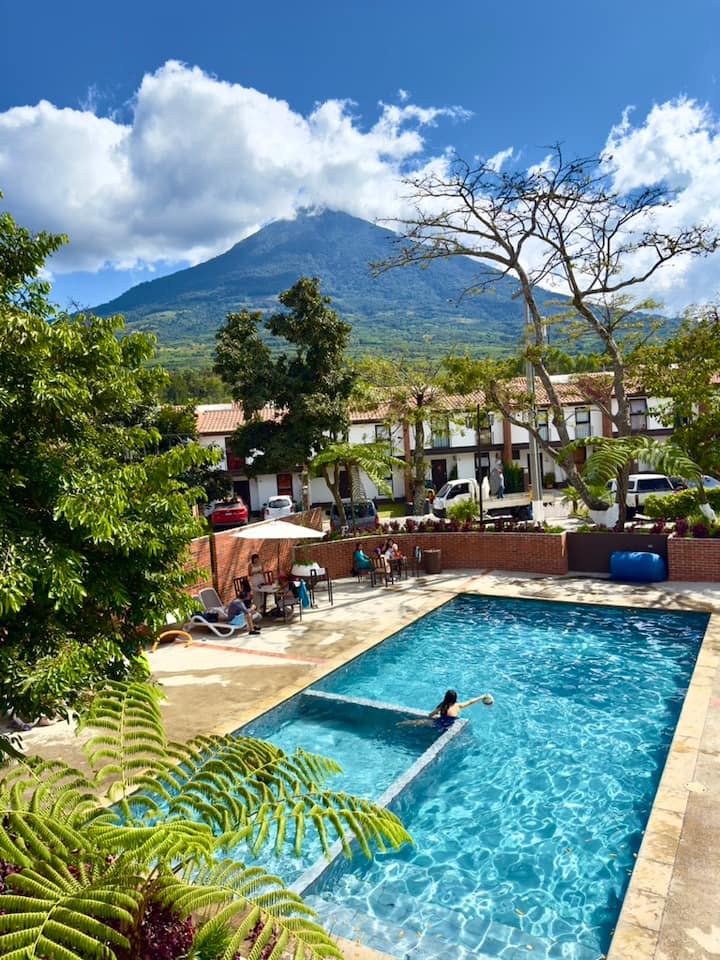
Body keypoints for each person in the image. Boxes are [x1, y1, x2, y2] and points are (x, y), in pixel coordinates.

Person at [429, 689, 494, 726]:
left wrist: (438, 716)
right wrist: (482, 697)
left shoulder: (442, 706)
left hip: (439, 723)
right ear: (455, 698)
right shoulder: (458, 706)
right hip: (449, 726)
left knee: (421, 722)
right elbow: (470, 702)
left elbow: (431, 715)